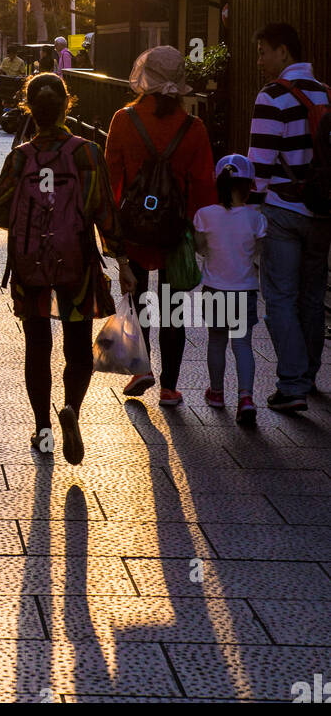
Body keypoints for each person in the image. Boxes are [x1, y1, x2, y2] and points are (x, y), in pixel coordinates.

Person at [0, 73, 136, 464]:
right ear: (67, 106)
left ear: (29, 109)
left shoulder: (20, 157)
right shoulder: (86, 153)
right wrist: (121, 260)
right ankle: (71, 407)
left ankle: (42, 430)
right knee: (77, 346)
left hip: (30, 268)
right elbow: (105, 211)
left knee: (37, 347)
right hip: (77, 265)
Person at [104, 46, 217, 405]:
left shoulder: (124, 120)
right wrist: (201, 236)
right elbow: (203, 185)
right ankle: (170, 387)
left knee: (136, 300)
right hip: (174, 230)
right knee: (173, 308)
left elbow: (110, 178)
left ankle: (141, 369)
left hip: (135, 226)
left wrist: (112, 229)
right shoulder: (194, 128)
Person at [248, 22, 331, 413]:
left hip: (282, 209)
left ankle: (292, 383)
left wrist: (249, 217)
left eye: (264, 51)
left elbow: (259, 165)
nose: (260, 60)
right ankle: (311, 375)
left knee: (279, 296)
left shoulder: (273, 97)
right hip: (322, 212)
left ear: (284, 52)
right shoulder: (326, 95)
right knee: (313, 296)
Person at [193, 155, 266, 426]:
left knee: (216, 340)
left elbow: (200, 247)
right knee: (243, 343)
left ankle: (216, 393)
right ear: (248, 187)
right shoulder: (255, 219)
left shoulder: (204, 215)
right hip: (244, 289)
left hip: (215, 289)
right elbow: (257, 252)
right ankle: (246, 397)